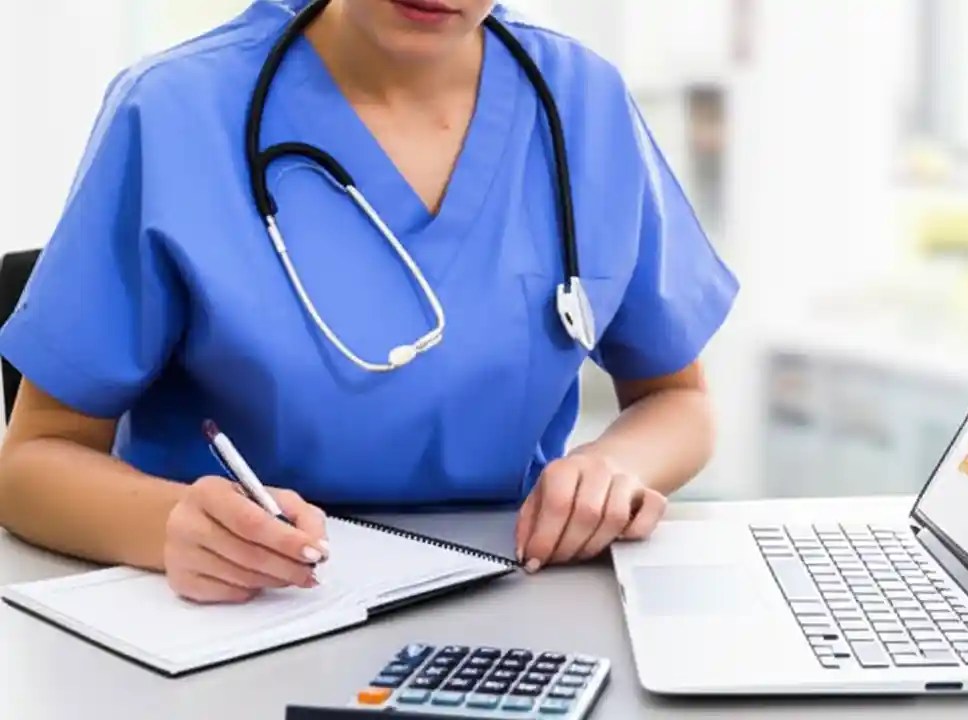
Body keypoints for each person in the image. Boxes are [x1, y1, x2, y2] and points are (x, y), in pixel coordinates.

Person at [0, 0, 737, 604]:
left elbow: (679, 399)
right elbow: (33, 460)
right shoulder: (172, 112)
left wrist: (617, 467)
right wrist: (167, 524)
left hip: (514, 601)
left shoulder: (582, 102)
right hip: (238, 609)